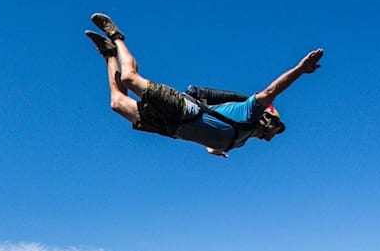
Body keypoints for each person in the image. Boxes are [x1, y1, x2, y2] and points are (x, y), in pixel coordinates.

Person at [85, 12, 323, 157]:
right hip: (184, 109)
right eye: (276, 128)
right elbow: (273, 90)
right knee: (129, 79)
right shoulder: (250, 112)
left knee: (117, 103)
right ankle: (116, 37)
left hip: (171, 128)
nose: (274, 135)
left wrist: (214, 150)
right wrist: (301, 70)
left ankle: (108, 54)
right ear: (268, 118)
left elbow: (213, 144)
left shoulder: (239, 142)